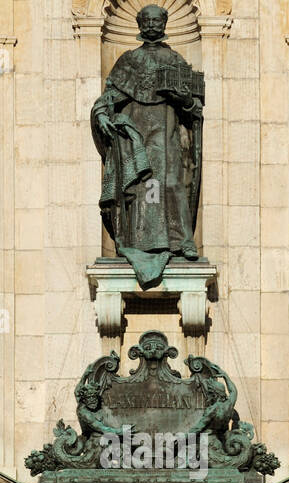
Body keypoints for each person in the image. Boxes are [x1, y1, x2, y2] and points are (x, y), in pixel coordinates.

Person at [91, 4, 204, 286]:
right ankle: (138, 243)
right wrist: (102, 115)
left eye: (157, 20)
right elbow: (106, 99)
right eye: (147, 20)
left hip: (168, 139)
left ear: (165, 24)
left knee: (172, 184)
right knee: (141, 191)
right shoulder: (127, 62)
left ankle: (181, 242)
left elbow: (195, 109)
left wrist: (182, 99)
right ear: (140, 24)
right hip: (137, 139)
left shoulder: (176, 61)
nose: (152, 25)